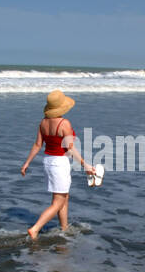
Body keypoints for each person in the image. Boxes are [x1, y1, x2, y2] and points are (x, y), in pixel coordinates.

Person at [20, 90, 95, 240]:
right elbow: (70, 148)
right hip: (60, 163)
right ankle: (35, 229)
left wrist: (26, 163)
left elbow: (37, 145)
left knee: (64, 197)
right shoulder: (64, 123)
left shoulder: (43, 122)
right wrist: (85, 165)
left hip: (48, 161)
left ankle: (64, 228)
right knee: (57, 202)